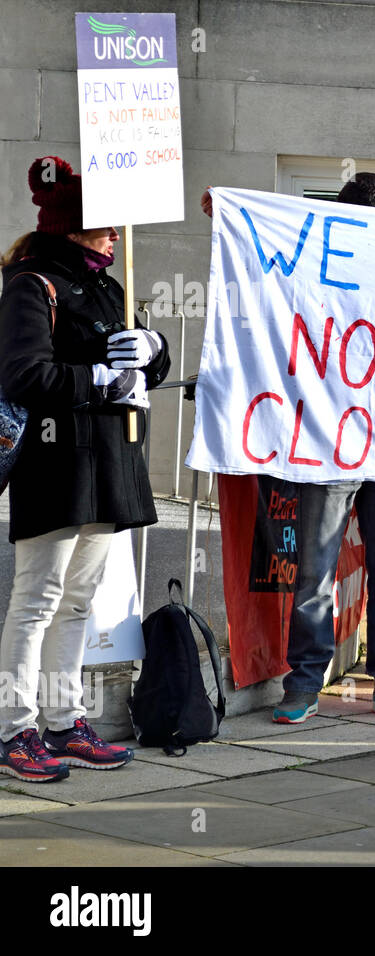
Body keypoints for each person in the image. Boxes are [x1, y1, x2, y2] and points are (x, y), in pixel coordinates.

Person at [0, 156, 170, 781]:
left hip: (110, 462)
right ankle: (14, 730)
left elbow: (136, 353)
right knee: (37, 602)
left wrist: (153, 353)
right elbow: (23, 374)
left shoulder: (106, 283)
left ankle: (63, 720)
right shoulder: (32, 283)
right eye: (104, 228)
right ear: (71, 230)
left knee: (77, 603)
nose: (115, 237)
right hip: (56, 462)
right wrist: (97, 380)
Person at [272, 173, 375, 723]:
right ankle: (305, 682)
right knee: (314, 570)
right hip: (331, 441)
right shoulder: (321, 267)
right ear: (371, 217)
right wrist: (226, 218)